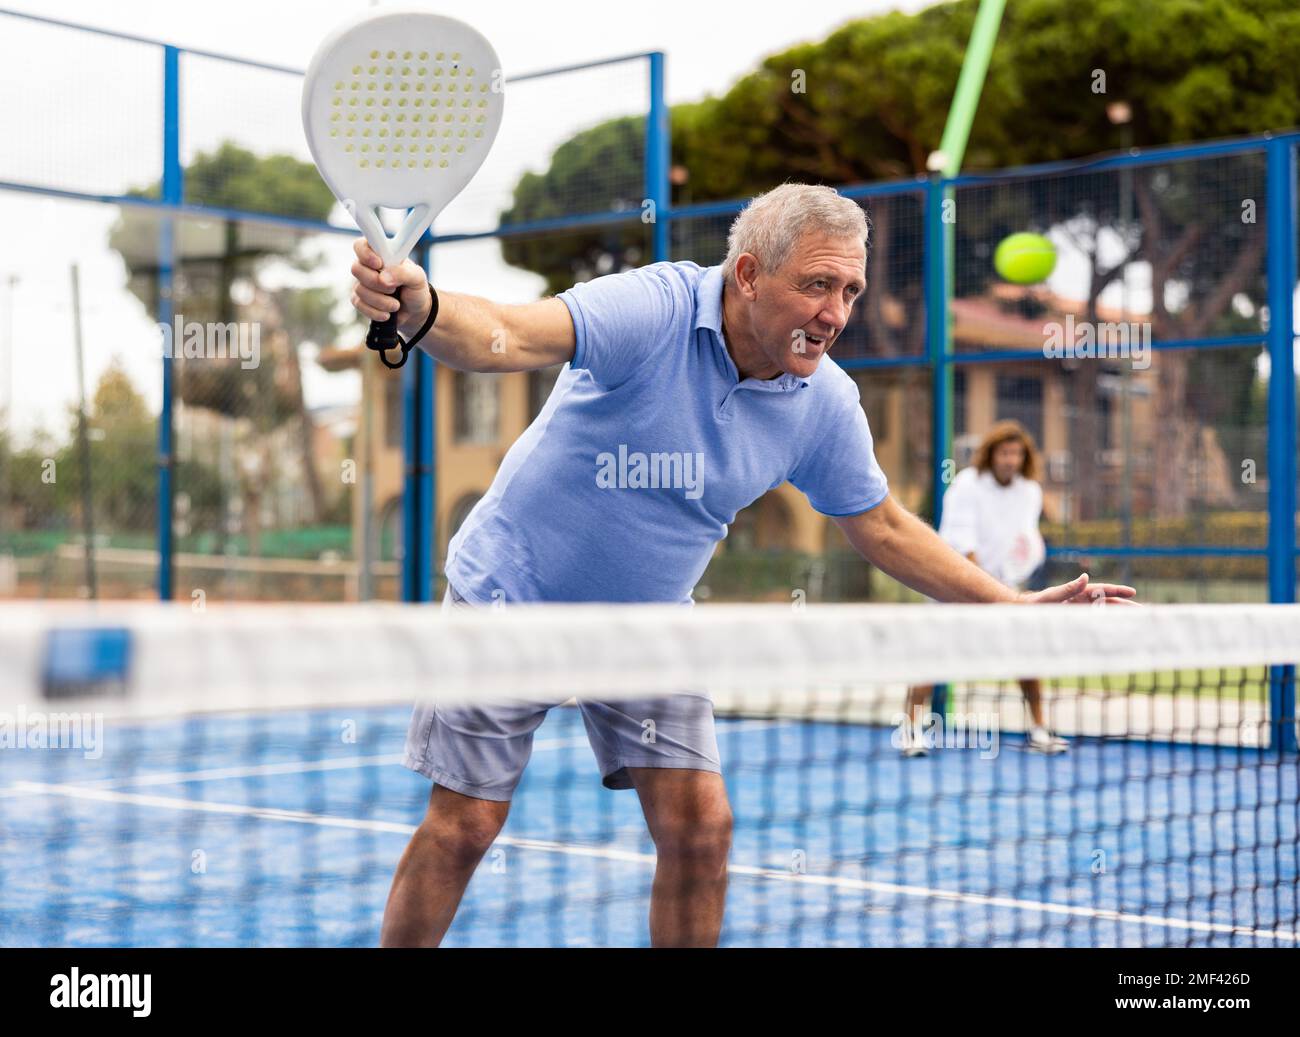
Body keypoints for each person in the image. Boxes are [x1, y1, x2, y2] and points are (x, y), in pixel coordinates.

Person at [348, 184, 1136, 948]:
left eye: (851, 291)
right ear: (750, 274)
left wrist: (1011, 606)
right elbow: (512, 334)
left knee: (701, 829)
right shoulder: (653, 308)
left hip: (649, 628)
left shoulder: (824, 403)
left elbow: (885, 527)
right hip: (510, 596)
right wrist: (426, 308)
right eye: (818, 284)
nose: (836, 314)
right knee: (467, 824)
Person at [902, 421, 1067, 758]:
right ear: (991, 454)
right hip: (951, 587)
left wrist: (1007, 587)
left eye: (1017, 454)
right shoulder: (966, 485)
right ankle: (909, 732)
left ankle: (1039, 730)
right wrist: (983, 590)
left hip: (1003, 591)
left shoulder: (1030, 492)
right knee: (931, 660)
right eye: (1005, 453)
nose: (1011, 460)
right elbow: (963, 544)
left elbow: (1025, 541)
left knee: (1027, 659)